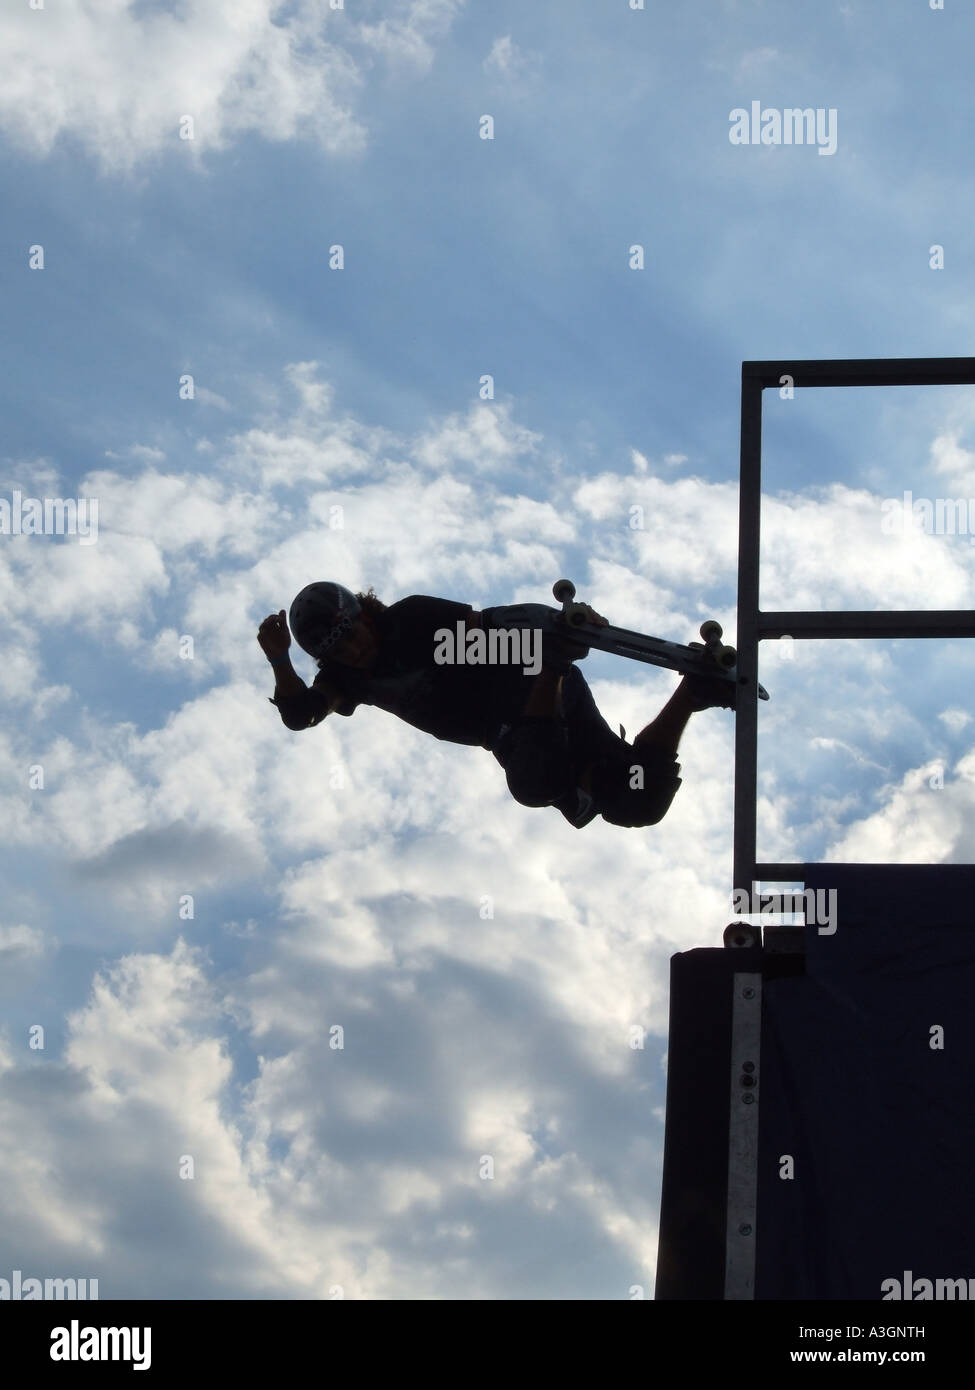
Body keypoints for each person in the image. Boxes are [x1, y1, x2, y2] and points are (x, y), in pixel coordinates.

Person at [257, 583, 733, 829]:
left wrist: (558, 639)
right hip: (522, 731)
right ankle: (693, 694)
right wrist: (280, 660)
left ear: (364, 615)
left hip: (538, 693)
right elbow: (302, 714)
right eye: (339, 650)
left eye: (354, 636)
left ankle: (553, 668)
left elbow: (491, 629)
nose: (355, 652)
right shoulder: (347, 679)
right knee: (637, 798)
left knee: (534, 781)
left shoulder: (412, 619)